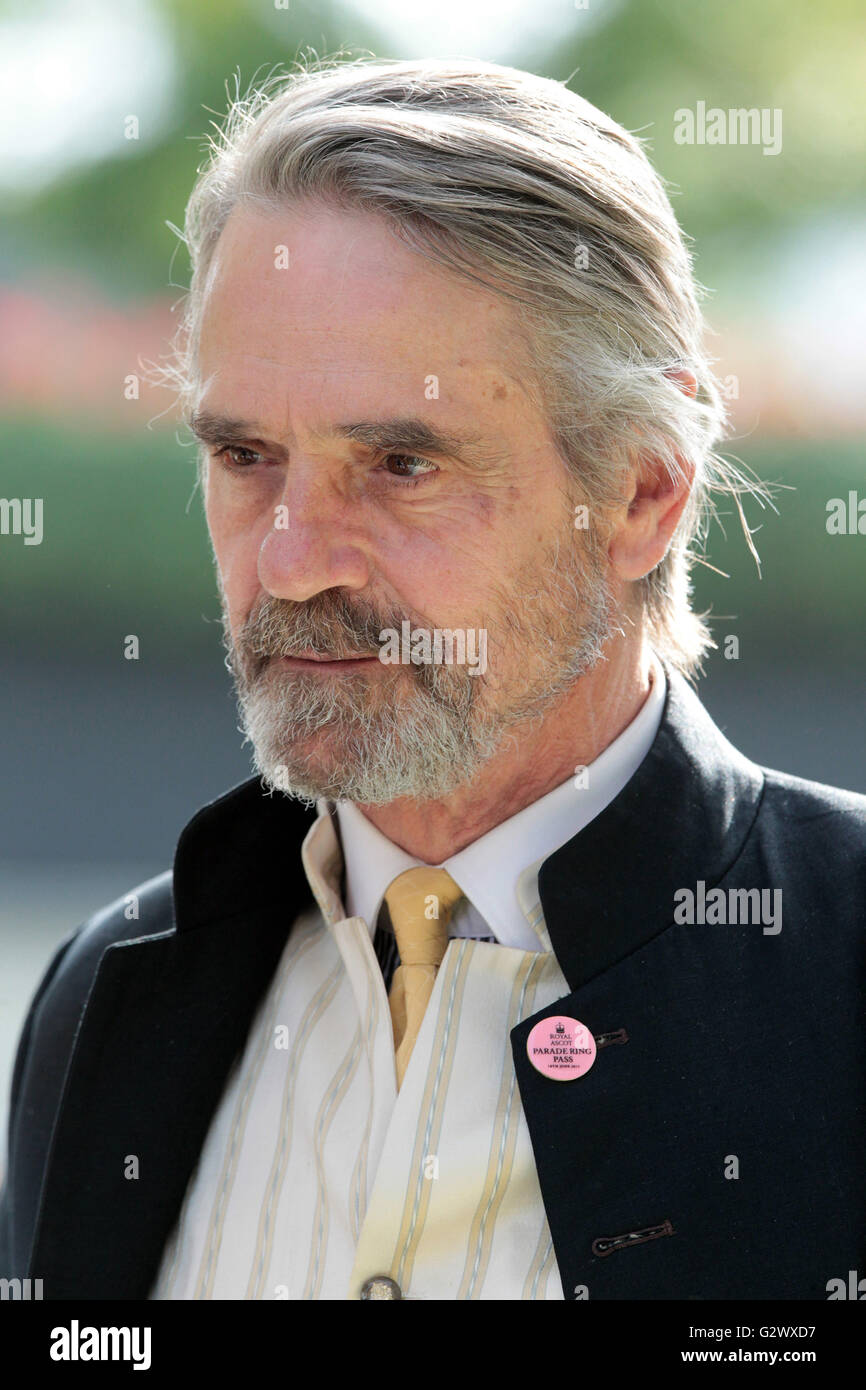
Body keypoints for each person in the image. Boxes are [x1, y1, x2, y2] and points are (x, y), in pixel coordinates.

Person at [1, 56, 863, 1302]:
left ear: (641, 490)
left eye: (401, 465)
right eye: (245, 455)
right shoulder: (105, 997)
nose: (290, 560)